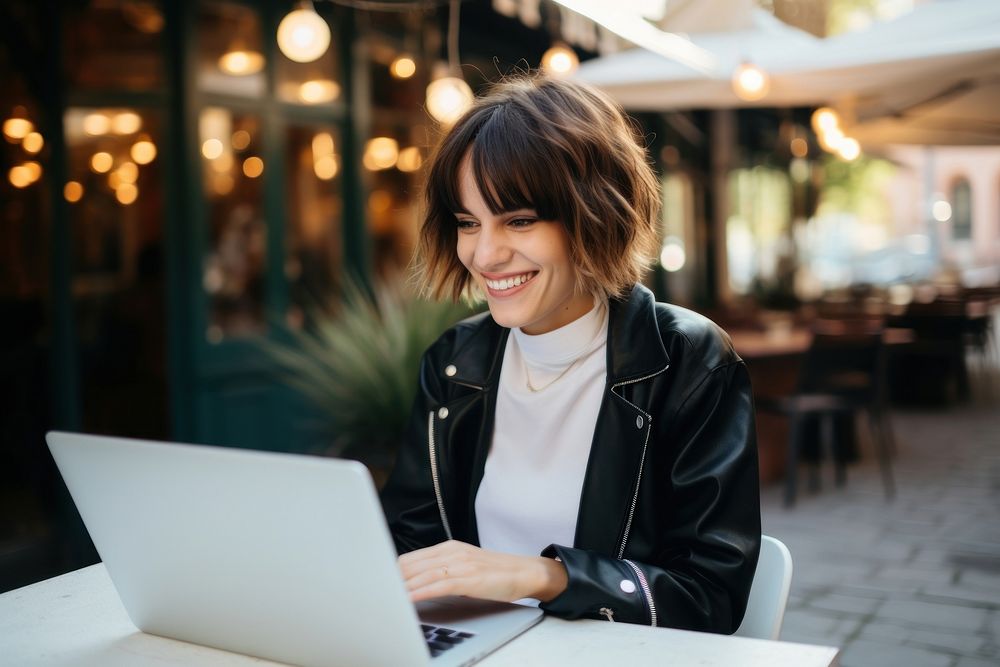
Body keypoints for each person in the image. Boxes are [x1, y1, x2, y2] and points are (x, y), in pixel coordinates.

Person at [380, 74, 760, 633]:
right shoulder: (453, 362)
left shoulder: (688, 362)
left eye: (519, 220)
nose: (485, 254)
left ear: (595, 214)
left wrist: (545, 577)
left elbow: (710, 597)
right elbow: (409, 545)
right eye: (467, 223)